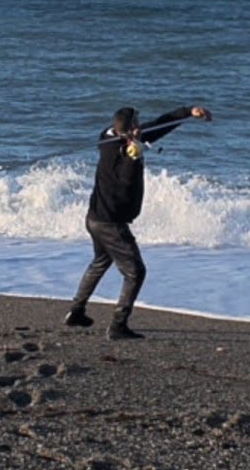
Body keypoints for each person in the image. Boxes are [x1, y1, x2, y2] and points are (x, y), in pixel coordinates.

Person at [65, 104, 213, 340]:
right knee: (136, 272)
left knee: (100, 262)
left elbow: (156, 127)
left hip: (94, 218)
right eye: (137, 123)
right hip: (110, 224)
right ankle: (117, 325)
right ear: (131, 129)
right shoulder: (120, 154)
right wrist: (133, 159)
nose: (141, 126)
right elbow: (124, 187)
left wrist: (187, 113)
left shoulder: (107, 135)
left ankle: (76, 311)